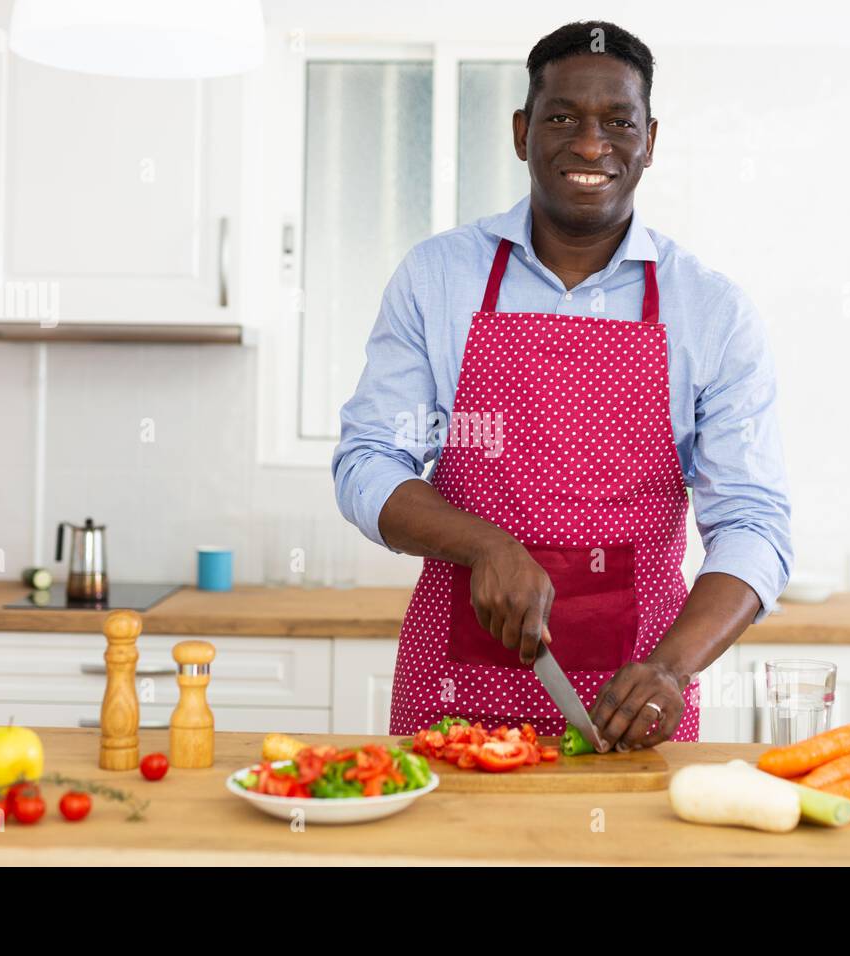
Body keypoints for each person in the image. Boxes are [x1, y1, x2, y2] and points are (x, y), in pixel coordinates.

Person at [333, 20, 792, 750]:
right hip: (453, 700)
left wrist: (672, 671)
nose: (589, 144)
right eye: (562, 118)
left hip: (636, 706)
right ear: (521, 132)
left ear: (650, 140)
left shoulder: (711, 310)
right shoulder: (438, 277)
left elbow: (754, 525)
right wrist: (483, 544)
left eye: (618, 122)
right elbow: (368, 462)